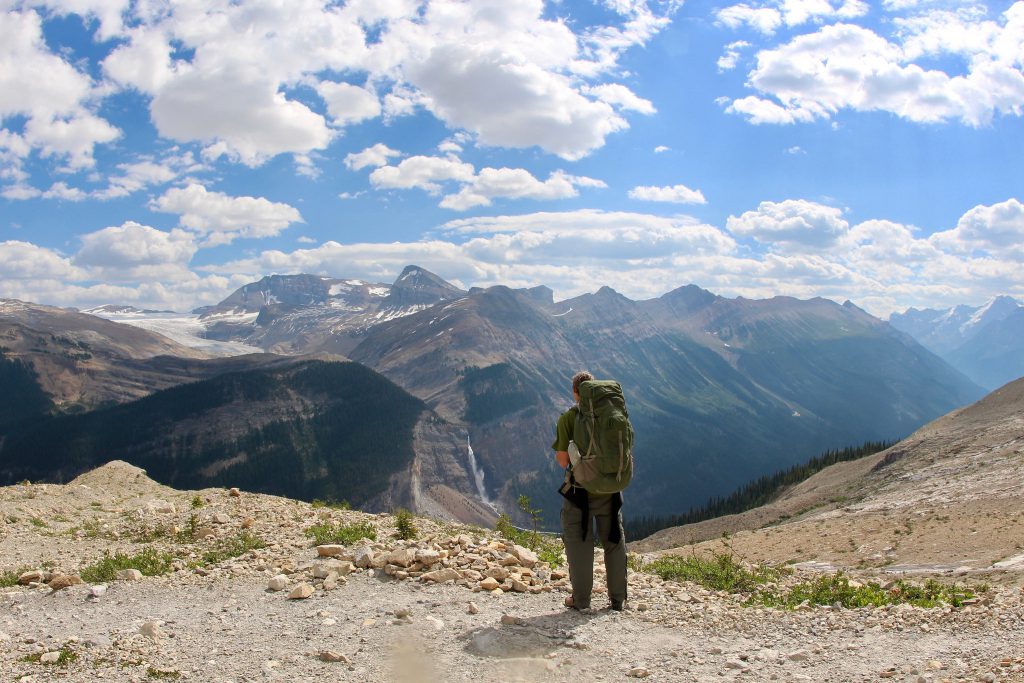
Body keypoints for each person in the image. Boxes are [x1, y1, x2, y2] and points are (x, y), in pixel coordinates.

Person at [552, 370, 628, 611]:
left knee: (579, 543)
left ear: (576, 393)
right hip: (611, 489)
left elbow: (563, 460)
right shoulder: (612, 414)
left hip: (580, 492)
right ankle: (618, 600)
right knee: (614, 540)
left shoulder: (569, 418)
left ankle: (581, 600)